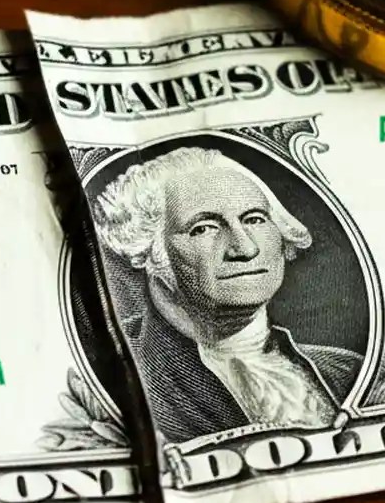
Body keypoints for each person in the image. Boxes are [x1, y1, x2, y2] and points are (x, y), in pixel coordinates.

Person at [93, 146, 363, 444]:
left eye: (254, 220)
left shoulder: (345, 371)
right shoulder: (116, 381)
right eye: (204, 228)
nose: (245, 249)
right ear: (145, 250)